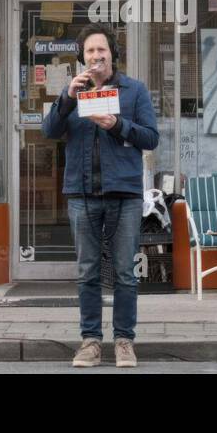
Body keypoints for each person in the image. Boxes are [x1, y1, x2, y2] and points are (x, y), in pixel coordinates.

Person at [42, 23, 158, 368]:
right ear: (82, 57)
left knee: (124, 272)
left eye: (101, 50)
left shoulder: (133, 91)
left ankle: (124, 341)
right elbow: (50, 131)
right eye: (90, 51)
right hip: (82, 193)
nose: (96, 56)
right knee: (87, 273)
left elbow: (151, 137)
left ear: (112, 55)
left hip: (124, 193)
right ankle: (90, 342)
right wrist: (65, 99)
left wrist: (118, 125)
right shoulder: (72, 92)